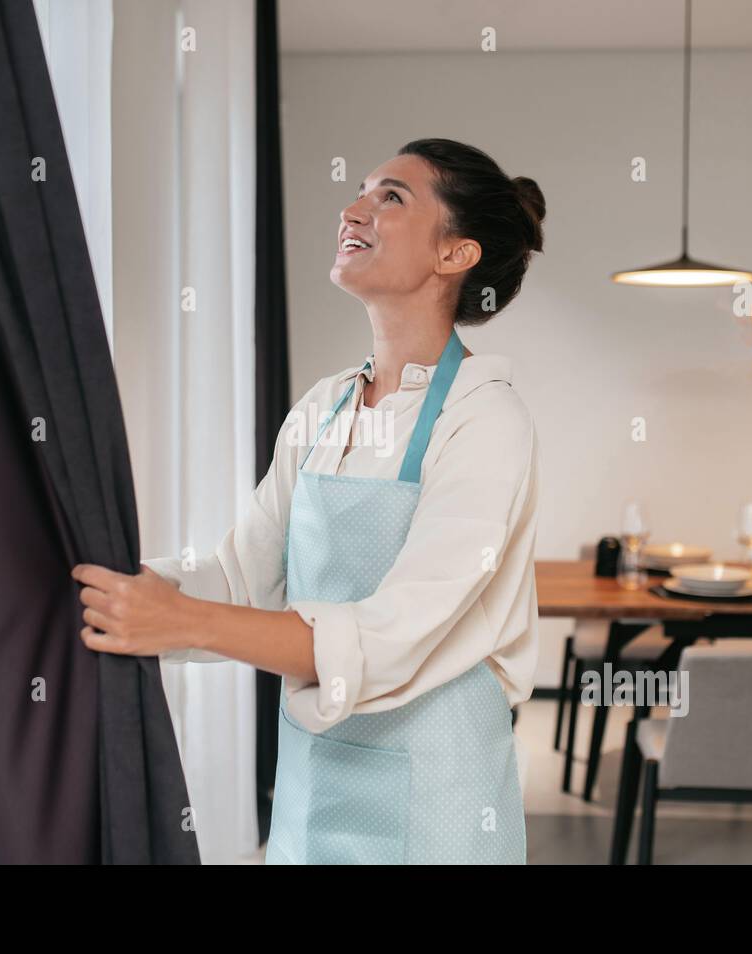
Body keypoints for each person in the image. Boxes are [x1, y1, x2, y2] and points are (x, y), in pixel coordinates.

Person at [73, 138, 546, 864]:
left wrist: (183, 621)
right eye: (360, 190)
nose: (353, 209)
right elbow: (241, 576)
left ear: (456, 255)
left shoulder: (486, 420)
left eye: (392, 197)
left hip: (439, 807)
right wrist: (122, 589)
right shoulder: (325, 408)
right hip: (312, 788)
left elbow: (390, 635)